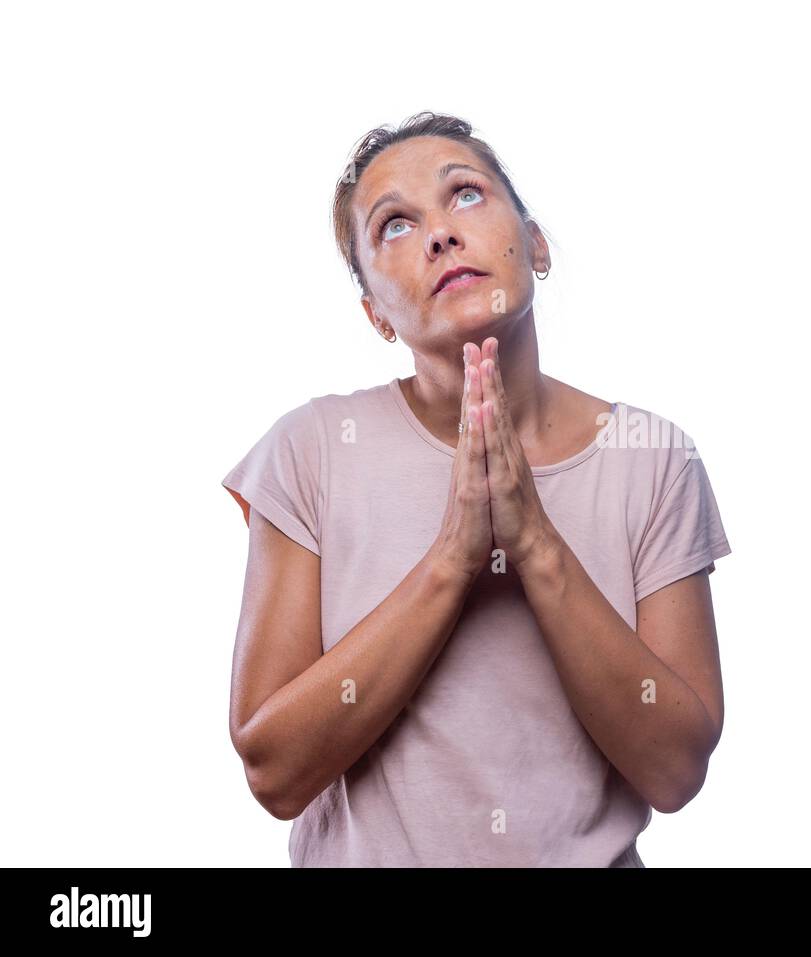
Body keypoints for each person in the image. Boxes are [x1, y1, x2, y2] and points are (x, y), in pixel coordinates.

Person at [221, 112, 732, 867]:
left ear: (536, 244)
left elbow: (676, 767)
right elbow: (274, 769)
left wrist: (534, 544)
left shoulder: (652, 458)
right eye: (395, 225)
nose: (439, 234)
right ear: (375, 315)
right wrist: (453, 560)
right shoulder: (311, 451)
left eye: (465, 194)